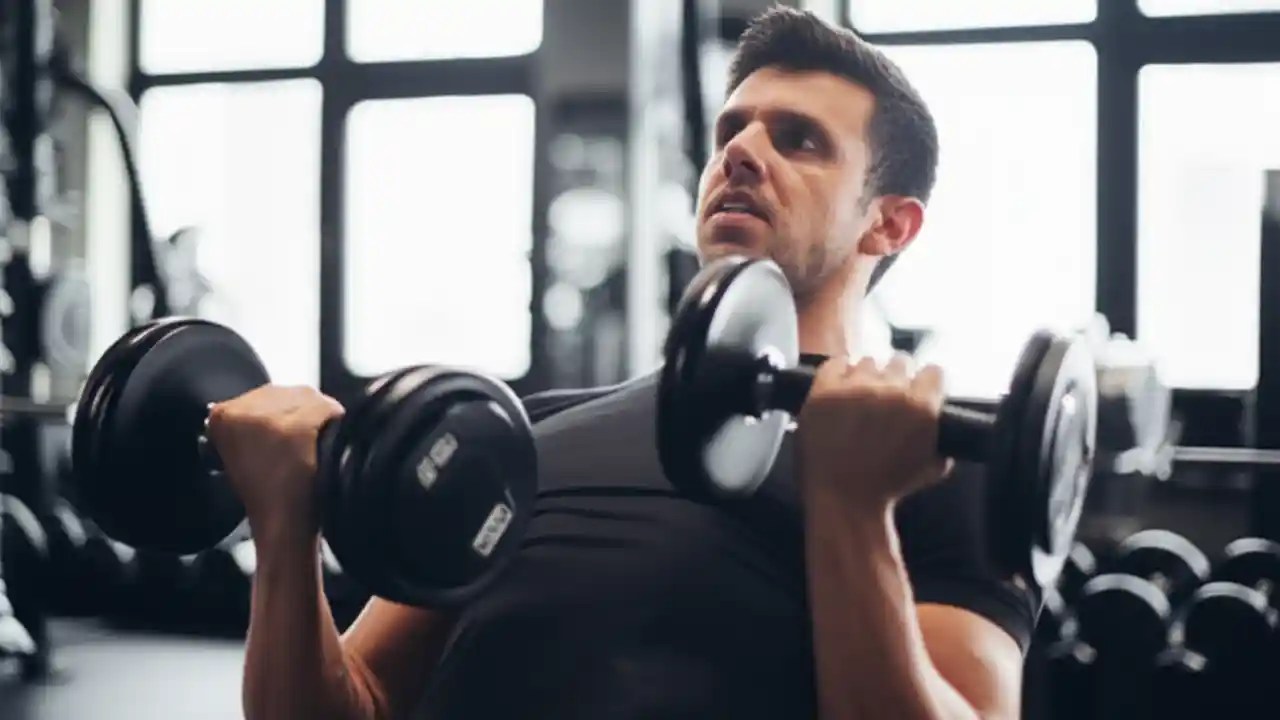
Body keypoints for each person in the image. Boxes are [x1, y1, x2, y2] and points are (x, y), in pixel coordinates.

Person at [209, 8, 1036, 720]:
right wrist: (284, 528)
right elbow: (360, 704)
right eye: (731, 131)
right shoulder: (526, 426)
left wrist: (855, 511)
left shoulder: (936, 464)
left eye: (799, 140)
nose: (741, 152)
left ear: (890, 226)